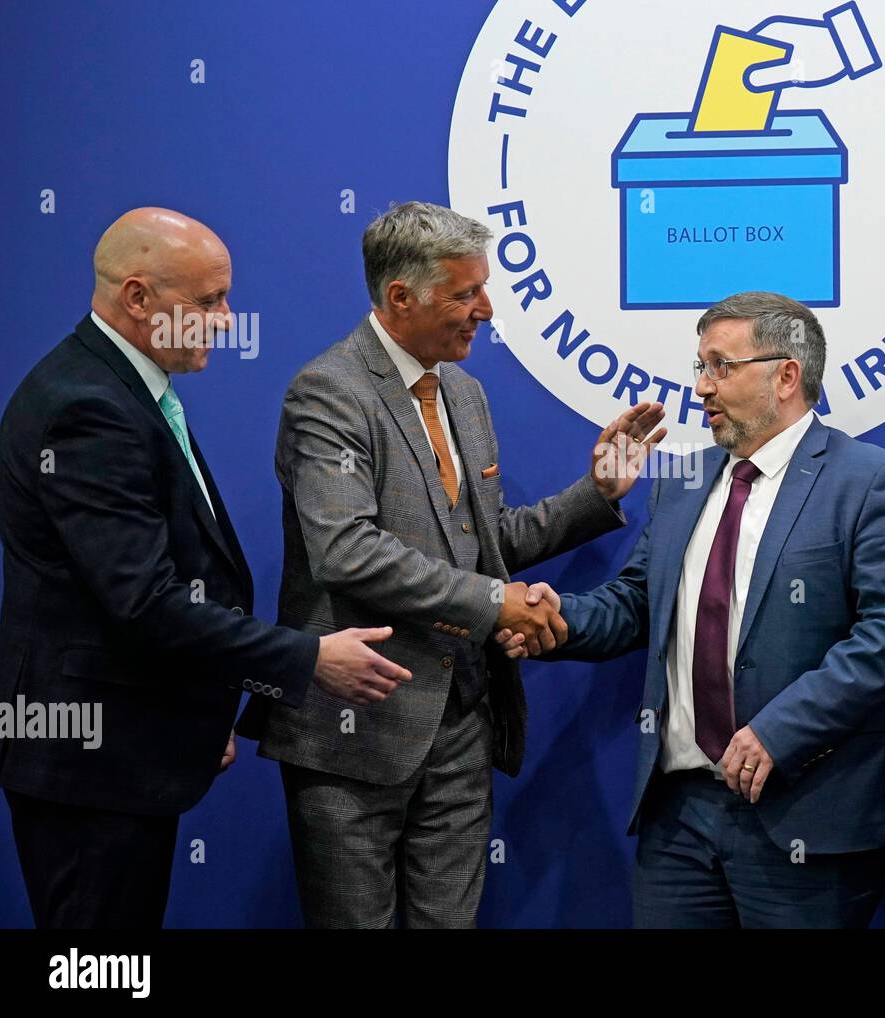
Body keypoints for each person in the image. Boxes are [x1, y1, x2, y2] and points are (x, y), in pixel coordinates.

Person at [244, 201, 665, 928]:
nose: (486, 309)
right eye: (466, 293)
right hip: (359, 727)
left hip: (464, 719)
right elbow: (346, 550)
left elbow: (480, 540)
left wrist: (595, 495)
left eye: (485, 288)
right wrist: (495, 603)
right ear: (400, 297)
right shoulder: (330, 392)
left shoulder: (463, 394)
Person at [0, 208, 412, 929]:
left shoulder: (123, 391)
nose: (226, 321)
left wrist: (201, 704)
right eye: (208, 301)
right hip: (90, 763)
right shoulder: (88, 410)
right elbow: (147, 602)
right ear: (137, 298)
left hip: (121, 746)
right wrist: (309, 658)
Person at [509, 291, 885, 928]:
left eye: (720, 367)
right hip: (678, 818)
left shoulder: (869, 480)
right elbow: (636, 603)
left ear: (786, 374)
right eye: (700, 367)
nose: (701, 387)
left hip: (804, 814)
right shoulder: (683, 481)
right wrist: (556, 619)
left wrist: (780, 731)